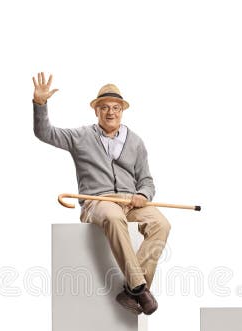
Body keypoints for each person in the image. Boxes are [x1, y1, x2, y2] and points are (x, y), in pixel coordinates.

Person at [32, 72, 171, 315]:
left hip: (131, 201)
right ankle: (140, 288)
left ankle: (130, 290)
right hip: (99, 202)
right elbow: (46, 133)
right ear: (96, 111)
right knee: (113, 216)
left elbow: (147, 180)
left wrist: (143, 195)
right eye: (104, 107)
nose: (110, 112)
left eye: (116, 108)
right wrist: (40, 104)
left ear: (122, 111)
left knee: (161, 223)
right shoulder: (81, 137)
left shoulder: (136, 142)